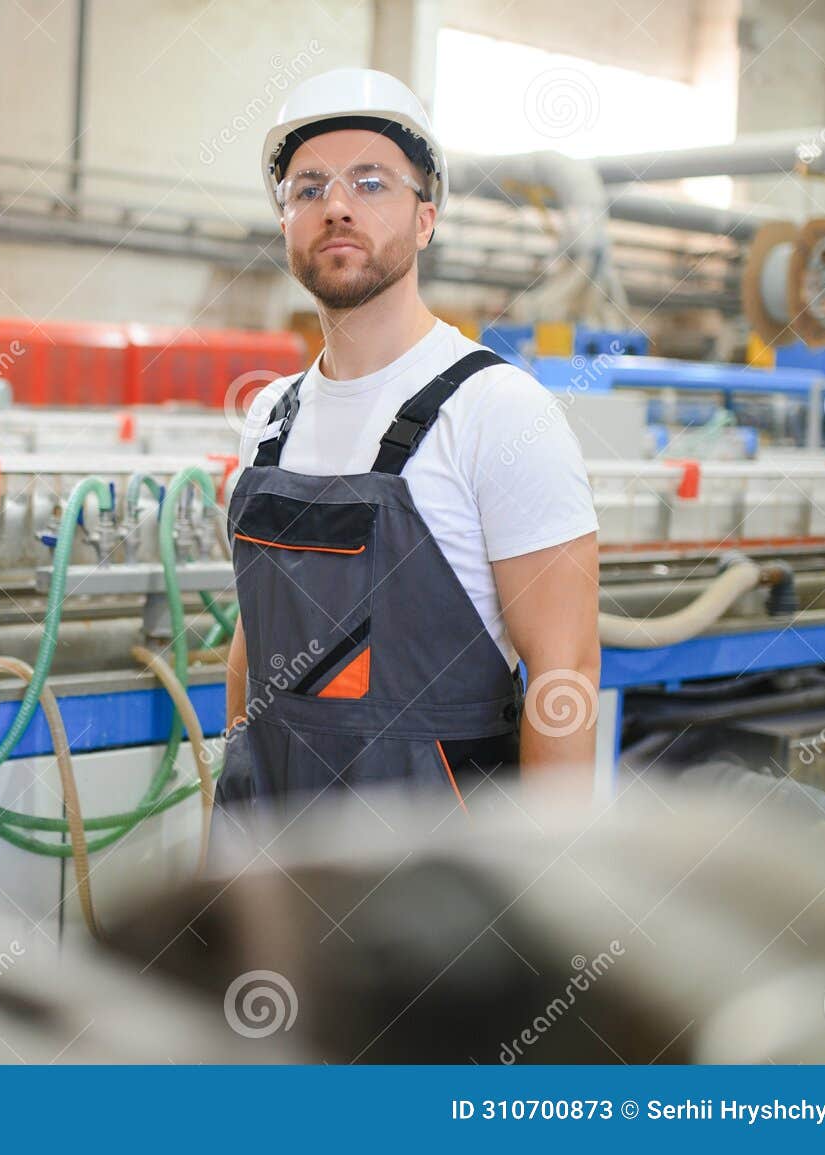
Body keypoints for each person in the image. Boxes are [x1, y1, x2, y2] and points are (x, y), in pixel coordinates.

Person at [222, 68, 600, 808]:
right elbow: (251, 649)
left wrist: (546, 900)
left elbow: (566, 672)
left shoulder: (499, 411)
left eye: (370, 184)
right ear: (285, 223)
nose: (335, 206)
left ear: (425, 218)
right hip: (271, 871)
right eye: (308, 188)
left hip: (438, 887)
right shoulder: (269, 420)